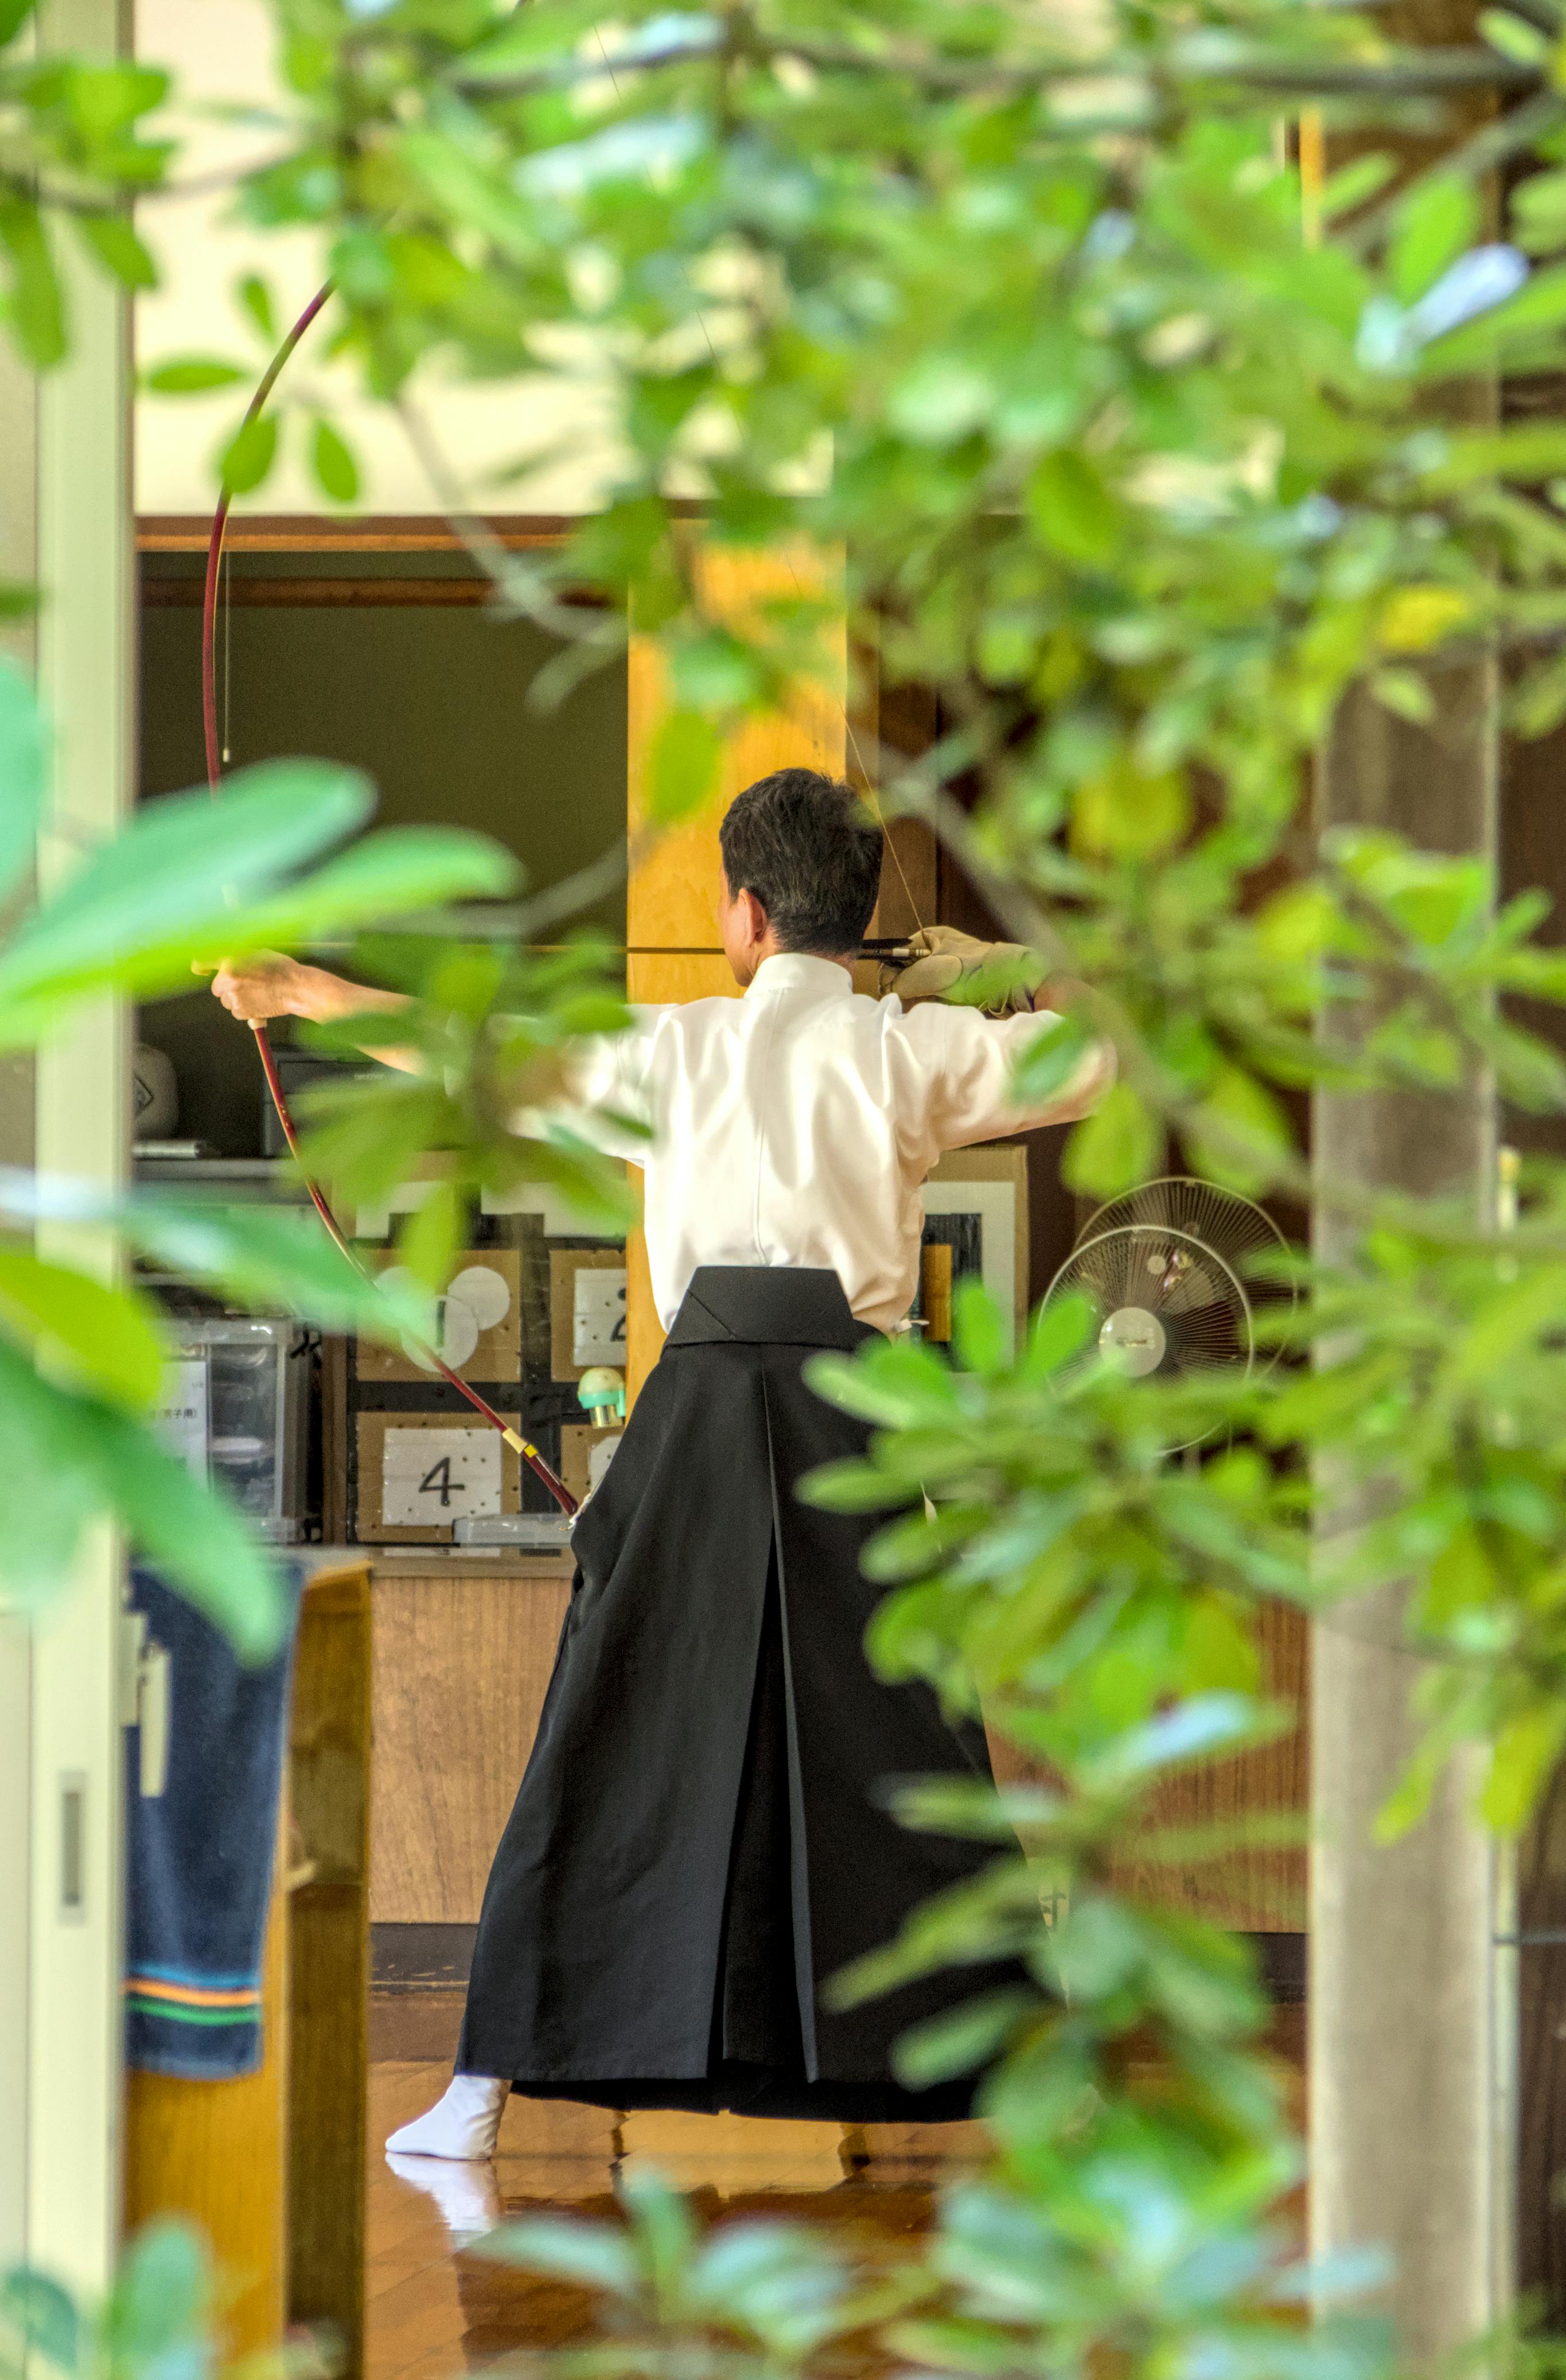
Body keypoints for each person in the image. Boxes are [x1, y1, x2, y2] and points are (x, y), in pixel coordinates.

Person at [212, 768, 1112, 2161]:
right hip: (855, 1422)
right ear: (853, 914)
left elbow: (478, 1048)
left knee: (604, 1722)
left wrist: (301, 990)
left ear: (743, 915)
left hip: (696, 1414)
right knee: (911, 1731)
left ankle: (482, 2092)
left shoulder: (673, 1049)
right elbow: (1099, 1052)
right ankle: (1053, 2081)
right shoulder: (904, 1047)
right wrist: (1003, 973)